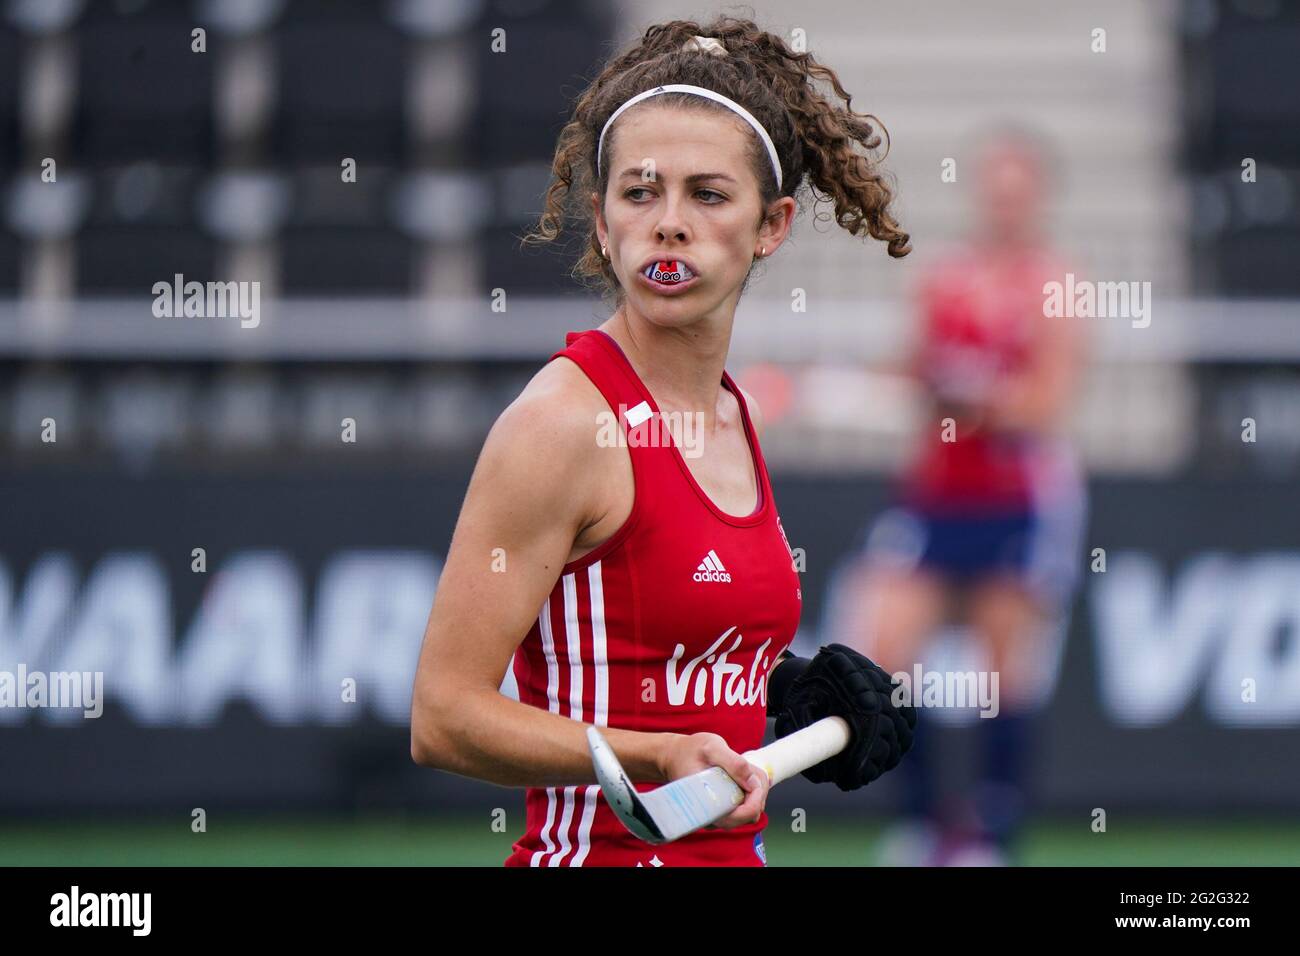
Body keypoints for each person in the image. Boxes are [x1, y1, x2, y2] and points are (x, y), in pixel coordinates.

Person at [410, 16, 916, 866]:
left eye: (708, 195)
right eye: (639, 193)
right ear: (604, 226)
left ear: (773, 224)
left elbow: (658, 646)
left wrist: (788, 693)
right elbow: (443, 716)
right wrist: (653, 753)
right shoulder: (561, 424)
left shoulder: (729, 409)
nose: (668, 223)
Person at [841, 128, 1088, 865]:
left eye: (1017, 188)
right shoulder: (946, 277)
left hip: (1014, 499)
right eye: (993, 186)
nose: (1003, 202)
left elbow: (1046, 404)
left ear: (1037, 196)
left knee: (1004, 670)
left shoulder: (1057, 284)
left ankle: (992, 837)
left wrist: (974, 400)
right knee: (884, 652)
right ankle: (923, 826)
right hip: (935, 496)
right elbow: (911, 370)